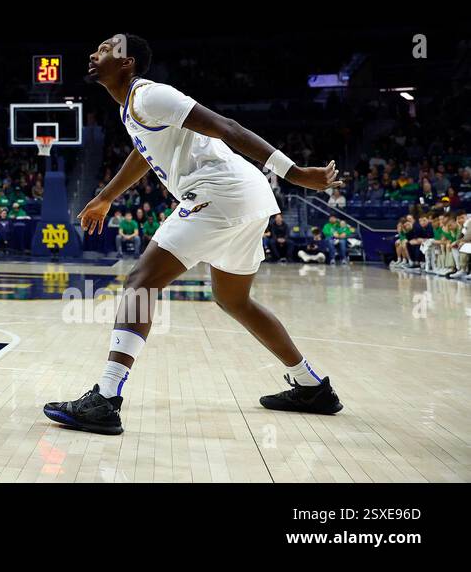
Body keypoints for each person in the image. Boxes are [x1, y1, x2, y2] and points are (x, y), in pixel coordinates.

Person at [44, 34, 344, 436]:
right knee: (233, 299)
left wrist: (293, 173)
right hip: (246, 197)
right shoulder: (132, 110)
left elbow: (227, 126)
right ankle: (312, 387)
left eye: (104, 49)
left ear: (127, 62)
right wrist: (104, 197)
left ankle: (105, 398)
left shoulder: (150, 95)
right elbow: (143, 154)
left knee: (139, 283)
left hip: (220, 192)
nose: (93, 53)